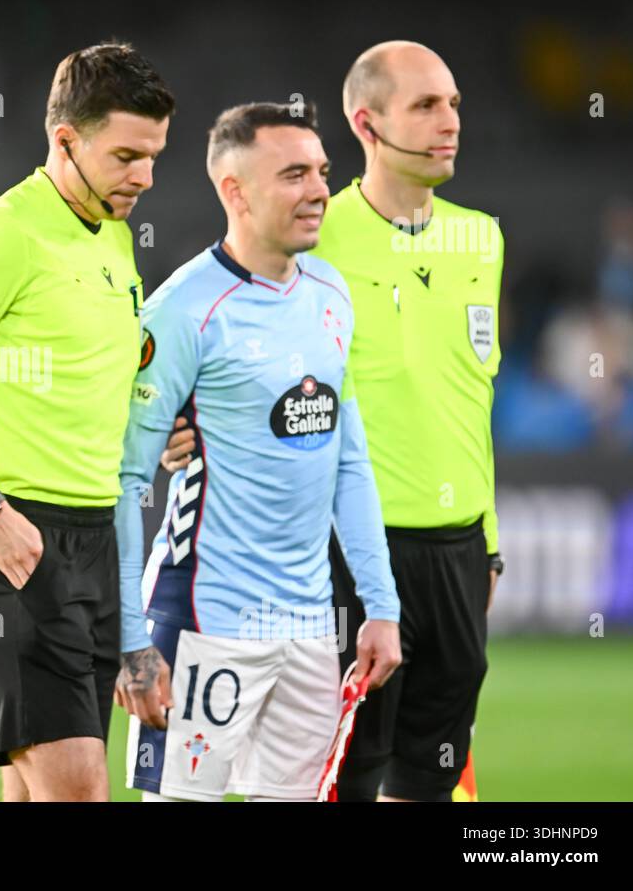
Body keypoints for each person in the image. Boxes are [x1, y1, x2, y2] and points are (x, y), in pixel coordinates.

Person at [162, 41, 504, 802]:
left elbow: (469, 398)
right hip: (347, 555)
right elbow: (212, 339)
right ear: (366, 123)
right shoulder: (315, 232)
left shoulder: (484, 238)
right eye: (425, 105)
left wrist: (489, 544)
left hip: (458, 552)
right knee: (340, 779)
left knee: (430, 777)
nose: (450, 121)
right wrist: (182, 429)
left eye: (453, 103)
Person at [0, 42, 174, 802]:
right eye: (125, 155)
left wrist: (164, 429)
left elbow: (102, 374)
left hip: (94, 536)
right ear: (64, 140)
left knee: (40, 791)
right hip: (13, 539)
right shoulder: (3, 235)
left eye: (153, 156)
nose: (144, 177)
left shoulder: (114, 238)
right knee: (79, 788)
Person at [116, 102, 402, 801]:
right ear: (235, 191)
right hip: (205, 620)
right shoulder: (183, 311)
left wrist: (381, 604)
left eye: (323, 173)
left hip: (309, 629)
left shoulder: (332, 295)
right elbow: (125, 482)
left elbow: (349, 460)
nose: (317, 191)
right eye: (294, 174)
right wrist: (130, 638)